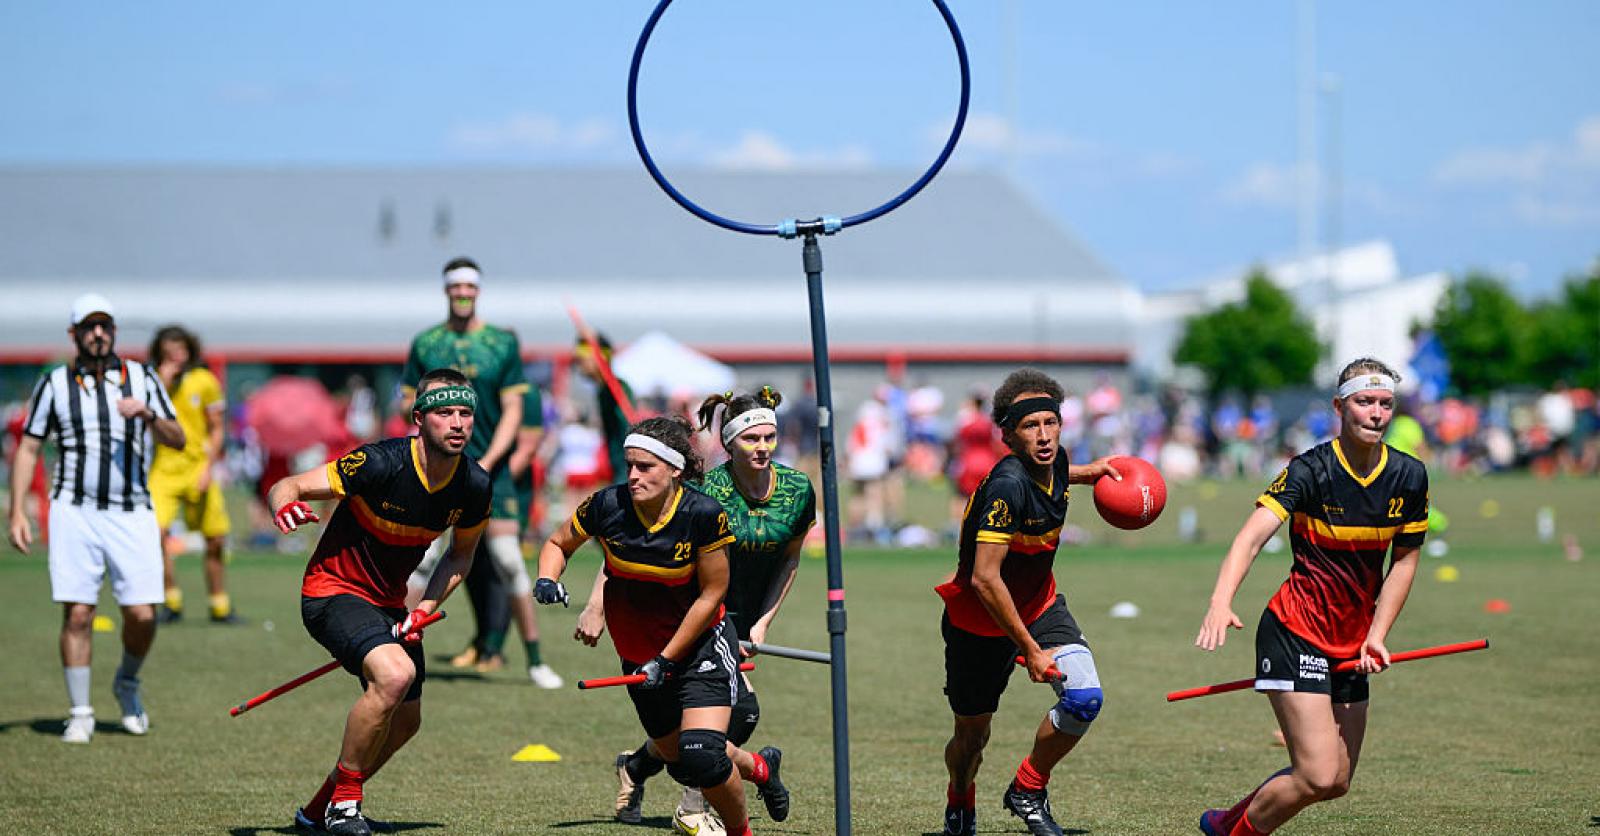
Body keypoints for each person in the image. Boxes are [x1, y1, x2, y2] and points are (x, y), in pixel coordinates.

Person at [1194, 357, 1430, 836]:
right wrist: (1221, 600)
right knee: (1316, 773)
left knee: (1336, 781)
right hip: (1296, 632)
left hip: (1354, 640)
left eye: (1385, 404)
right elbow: (1251, 537)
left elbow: (1404, 561)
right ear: (1340, 407)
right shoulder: (1309, 470)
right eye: (1365, 402)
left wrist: (1377, 635)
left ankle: (1226, 824)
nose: (1376, 413)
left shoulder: (1410, 476)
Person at [535, 417, 789, 836]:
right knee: (678, 759)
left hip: (699, 650)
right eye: (629, 465)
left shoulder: (702, 514)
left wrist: (666, 659)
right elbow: (557, 543)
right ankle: (761, 768)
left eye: (645, 467)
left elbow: (712, 596)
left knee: (702, 757)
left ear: (674, 470)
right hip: (638, 656)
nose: (633, 476)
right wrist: (548, 578)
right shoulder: (607, 505)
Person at [270, 368, 491, 835]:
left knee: (406, 722)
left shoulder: (474, 485)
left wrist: (426, 607)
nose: (457, 423)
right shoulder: (378, 463)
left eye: (465, 413)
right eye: (445, 413)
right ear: (419, 419)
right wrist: (283, 506)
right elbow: (287, 485)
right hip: (332, 592)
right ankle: (346, 805)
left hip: (390, 606)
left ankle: (317, 812)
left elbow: (461, 554)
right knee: (395, 676)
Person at [593, 387, 814, 834]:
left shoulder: (797, 489)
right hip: (692, 613)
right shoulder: (703, 491)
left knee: (699, 727)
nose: (763, 447)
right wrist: (597, 602)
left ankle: (638, 767)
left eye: (770, 437)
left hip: (745, 613)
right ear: (729, 443)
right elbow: (635, 548)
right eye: (752, 439)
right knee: (739, 713)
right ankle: (698, 803)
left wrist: (764, 620)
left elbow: (790, 558)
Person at [934, 368, 1120, 836]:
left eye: (1050, 423)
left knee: (1084, 696)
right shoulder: (1005, 487)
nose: (1044, 436)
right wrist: (1030, 650)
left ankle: (1028, 789)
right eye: (1030, 427)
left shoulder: (1056, 462)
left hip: (1039, 605)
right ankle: (961, 794)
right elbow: (984, 579)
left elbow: (1057, 473)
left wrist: (1089, 473)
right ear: (1009, 437)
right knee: (971, 738)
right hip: (979, 620)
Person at [8, 293, 185, 743]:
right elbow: (29, 446)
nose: (99, 333)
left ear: (114, 332)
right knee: (79, 613)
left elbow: (178, 437)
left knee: (143, 615)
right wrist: (17, 511)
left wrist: (147, 413)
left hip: (132, 511)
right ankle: (81, 711)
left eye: (105, 325)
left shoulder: (142, 378)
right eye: (89, 326)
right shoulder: (55, 385)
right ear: (75, 335)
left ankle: (127, 681)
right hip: (74, 510)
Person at [401, 257, 559, 687]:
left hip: (492, 472)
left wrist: (488, 462)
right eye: (456, 287)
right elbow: (405, 402)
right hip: (436, 469)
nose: (463, 294)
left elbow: (514, 409)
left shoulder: (501, 344)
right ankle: (394, 648)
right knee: (422, 560)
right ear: (446, 290)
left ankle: (535, 660)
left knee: (509, 562)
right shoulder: (426, 343)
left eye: (470, 287)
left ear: (478, 290)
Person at [147, 325, 240, 624]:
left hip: (197, 467)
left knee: (215, 538)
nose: (176, 355)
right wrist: (162, 380)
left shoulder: (205, 381)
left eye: (180, 349)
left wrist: (207, 467)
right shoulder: (152, 382)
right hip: (163, 469)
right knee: (154, 534)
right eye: (169, 350)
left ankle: (219, 605)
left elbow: (215, 429)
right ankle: (170, 602)